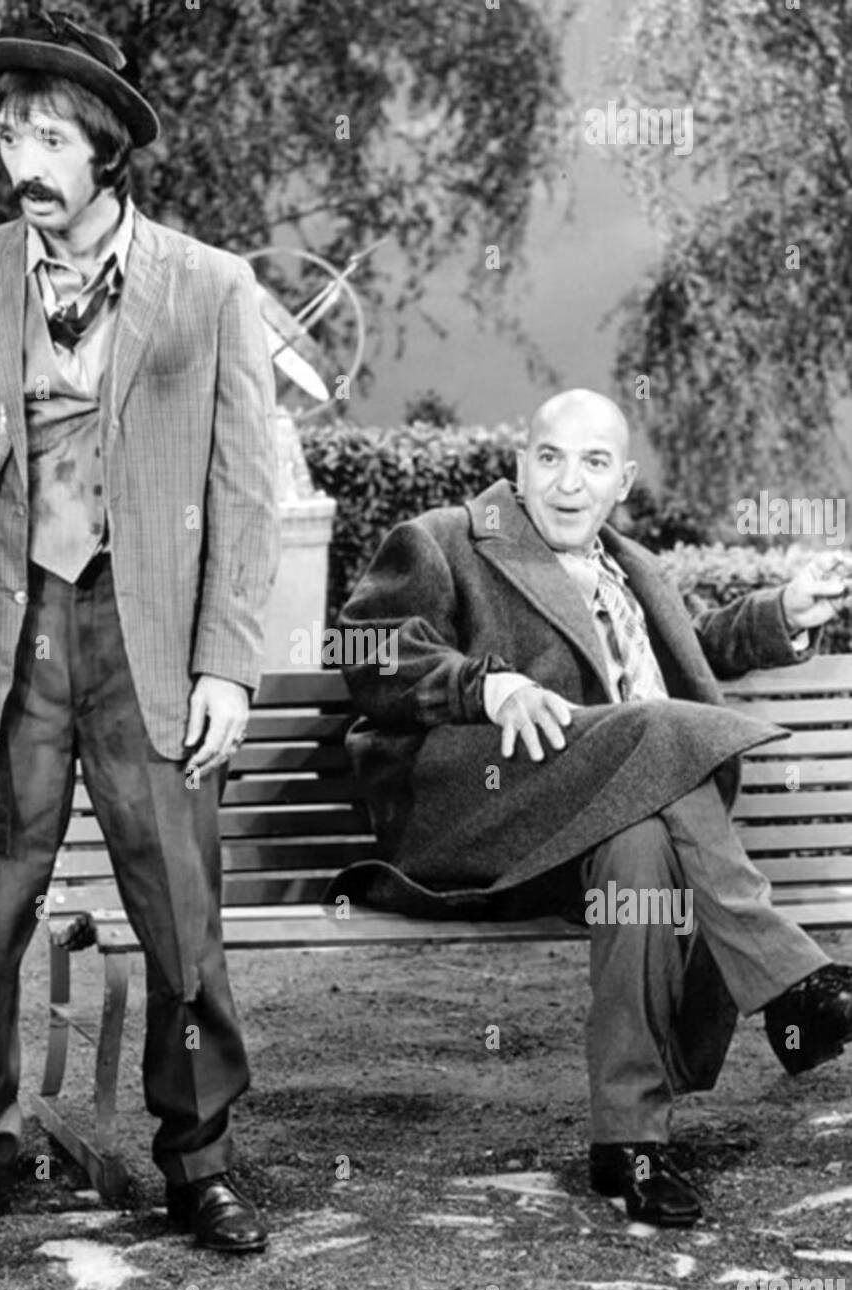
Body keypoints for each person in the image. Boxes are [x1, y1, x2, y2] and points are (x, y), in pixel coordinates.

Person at [0, 10, 278, 1254]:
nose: (25, 164)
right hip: (3, 637)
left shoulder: (211, 287)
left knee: (182, 922)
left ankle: (199, 1162)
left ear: (107, 150)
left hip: (145, 638)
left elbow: (245, 496)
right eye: (11, 137)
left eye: (50, 139)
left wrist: (226, 665)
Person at [331, 387, 852, 1227]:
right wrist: (484, 685)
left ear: (622, 482)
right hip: (483, 821)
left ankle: (629, 1145)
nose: (568, 483)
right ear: (520, 465)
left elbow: (692, 650)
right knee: (654, 730)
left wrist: (781, 613)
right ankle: (790, 979)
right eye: (549, 458)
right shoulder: (444, 539)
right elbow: (364, 651)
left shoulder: (631, 564)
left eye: (593, 463)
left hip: (602, 822)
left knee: (638, 847)